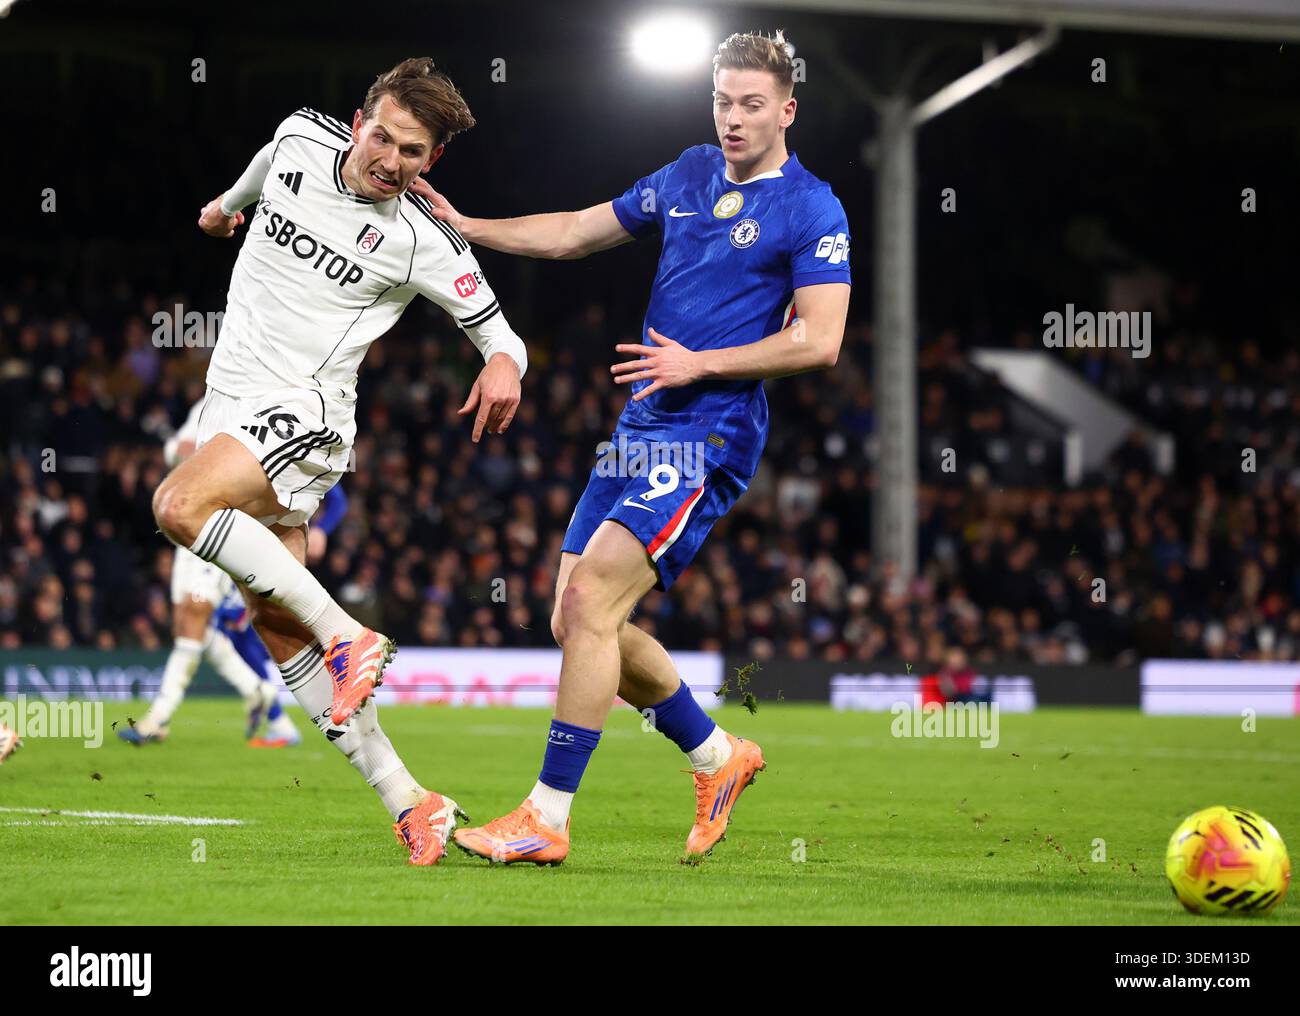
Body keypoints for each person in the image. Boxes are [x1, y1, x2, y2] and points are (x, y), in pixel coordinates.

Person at [417, 31, 852, 864]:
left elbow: (819, 340)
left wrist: (702, 362)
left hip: (710, 430)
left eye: (751, 104)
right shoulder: (688, 173)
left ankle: (546, 818)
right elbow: (578, 231)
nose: (731, 117)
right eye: (722, 100)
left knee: (590, 607)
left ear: (786, 110)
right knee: (574, 616)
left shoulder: (812, 206)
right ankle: (718, 756)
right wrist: (468, 226)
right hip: (639, 428)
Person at [152, 58, 529, 865]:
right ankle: (412, 801)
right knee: (277, 625)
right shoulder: (298, 136)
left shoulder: (424, 239)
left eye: (414, 153)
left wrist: (504, 364)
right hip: (232, 403)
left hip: (306, 413)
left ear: (434, 162)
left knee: (179, 506)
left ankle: (349, 632)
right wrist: (225, 208)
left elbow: (500, 332)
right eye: (383, 137)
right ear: (360, 120)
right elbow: (263, 168)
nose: (391, 160)